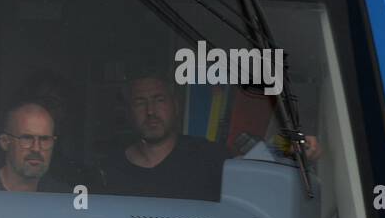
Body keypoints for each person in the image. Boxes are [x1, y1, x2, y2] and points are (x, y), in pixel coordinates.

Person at [101, 74, 320, 201]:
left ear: (175, 106)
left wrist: (294, 146)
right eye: (140, 102)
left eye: (159, 100)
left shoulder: (209, 157)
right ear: (128, 112)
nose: (150, 111)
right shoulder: (108, 168)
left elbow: (254, 170)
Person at [0, 100, 69, 193]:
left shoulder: (65, 198)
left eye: (44, 139)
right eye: (27, 138)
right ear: (4, 142)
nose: (36, 148)